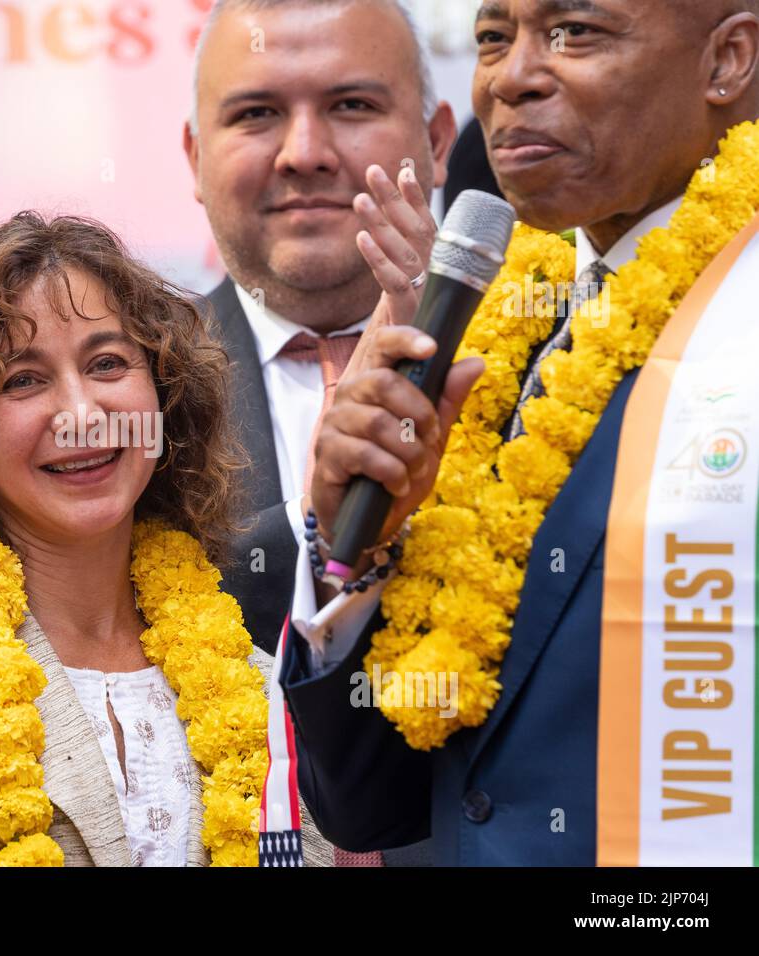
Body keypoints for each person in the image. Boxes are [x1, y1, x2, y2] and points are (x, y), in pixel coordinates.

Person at [282, 0, 759, 865]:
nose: (511, 77)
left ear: (727, 60)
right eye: (493, 39)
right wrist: (354, 548)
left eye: (575, 32)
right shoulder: (495, 330)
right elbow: (366, 807)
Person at [0, 212, 333, 866]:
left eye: (108, 363)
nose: (83, 415)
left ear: (162, 400)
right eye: (23, 380)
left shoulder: (258, 687)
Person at [184, 0, 455, 866]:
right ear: (193, 155)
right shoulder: (116, 404)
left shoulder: (560, 365)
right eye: (257, 113)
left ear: (439, 140)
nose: (305, 152)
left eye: (351, 105)